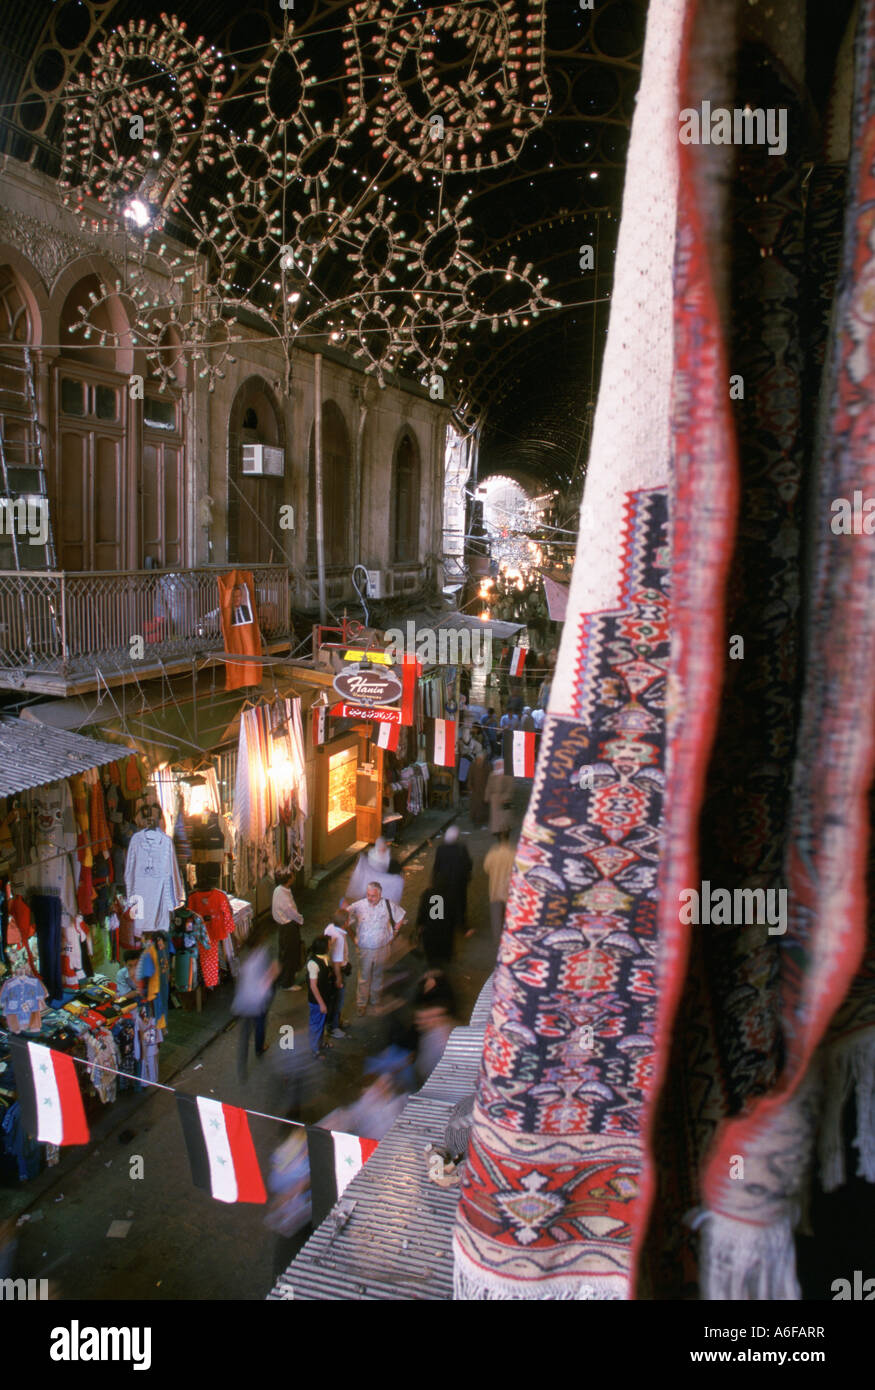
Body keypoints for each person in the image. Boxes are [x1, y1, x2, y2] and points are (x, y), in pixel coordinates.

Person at [346, 881, 406, 1016]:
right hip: (364, 949)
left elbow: (401, 917)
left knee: (378, 975)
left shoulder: (388, 905)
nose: (370, 898)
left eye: (373, 896)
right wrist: (353, 938)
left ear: (380, 895)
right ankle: (361, 1003)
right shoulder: (358, 906)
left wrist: (394, 933)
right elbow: (343, 919)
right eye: (368, 895)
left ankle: (375, 1000)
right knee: (364, 976)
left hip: (383, 948)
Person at [233, 921, 280, 1081]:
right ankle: (259, 1049)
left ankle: (242, 1068)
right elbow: (274, 971)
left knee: (244, 1034)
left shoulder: (243, 954)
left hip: (244, 999)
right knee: (260, 1024)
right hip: (258, 999)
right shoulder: (264, 953)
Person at [432, 825, 473, 931]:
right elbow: (468, 864)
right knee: (460, 904)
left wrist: (434, 880)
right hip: (459, 882)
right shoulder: (461, 848)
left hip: (445, 881)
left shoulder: (441, 848)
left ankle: (445, 923)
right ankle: (461, 924)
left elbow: (437, 866)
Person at [343, 836, 404, 907]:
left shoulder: (390, 859)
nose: (382, 850)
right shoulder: (371, 855)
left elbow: (395, 870)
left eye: (383, 848)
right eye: (380, 848)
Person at [415, 872, 457, 967]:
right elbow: (453, 914)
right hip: (445, 930)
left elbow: (422, 911)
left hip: (430, 930)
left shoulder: (427, 894)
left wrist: (419, 925)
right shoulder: (451, 895)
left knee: (431, 954)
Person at [273, 869, 304, 991]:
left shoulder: (278, 890)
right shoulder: (284, 895)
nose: (294, 877)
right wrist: (300, 920)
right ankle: (287, 982)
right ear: (288, 879)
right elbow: (292, 912)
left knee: (284, 952)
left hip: (282, 926)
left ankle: (284, 976)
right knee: (290, 953)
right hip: (289, 926)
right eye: (292, 875)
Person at [483, 830, 515, 946]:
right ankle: (510, 939)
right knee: (509, 916)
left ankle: (498, 942)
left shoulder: (493, 853)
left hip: (495, 889)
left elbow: (486, 868)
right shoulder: (513, 853)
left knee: (496, 918)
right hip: (508, 890)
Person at [306, 935, 336, 1058]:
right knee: (316, 1024)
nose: (331, 946)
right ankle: (315, 1050)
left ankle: (321, 1043)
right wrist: (322, 1004)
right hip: (317, 1001)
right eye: (329, 944)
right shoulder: (313, 963)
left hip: (324, 997)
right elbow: (313, 986)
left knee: (321, 1023)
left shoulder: (323, 958)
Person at [324, 908, 351, 1038]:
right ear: (345, 922)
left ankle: (335, 1022)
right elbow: (337, 962)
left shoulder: (330, 928)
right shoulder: (339, 937)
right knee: (338, 1000)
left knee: (332, 999)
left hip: (328, 970)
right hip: (337, 971)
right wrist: (339, 979)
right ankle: (334, 1027)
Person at [486, 757, 514, 834]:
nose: (498, 766)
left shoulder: (507, 774)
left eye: (500, 764)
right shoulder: (492, 774)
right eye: (497, 764)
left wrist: (506, 797)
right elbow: (489, 786)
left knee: (504, 815)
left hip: (503, 797)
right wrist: (487, 796)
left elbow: (510, 787)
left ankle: (505, 828)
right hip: (494, 797)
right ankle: (496, 829)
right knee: (495, 815)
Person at [467, 747, 490, 826]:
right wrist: (470, 786)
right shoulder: (472, 766)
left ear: (483, 759)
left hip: (484, 788)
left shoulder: (488, 766)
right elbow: (469, 776)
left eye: (480, 760)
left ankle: (481, 819)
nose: (478, 761)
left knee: (483, 805)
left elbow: (490, 778)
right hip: (475, 788)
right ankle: (475, 819)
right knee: (475, 804)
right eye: (477, 759)